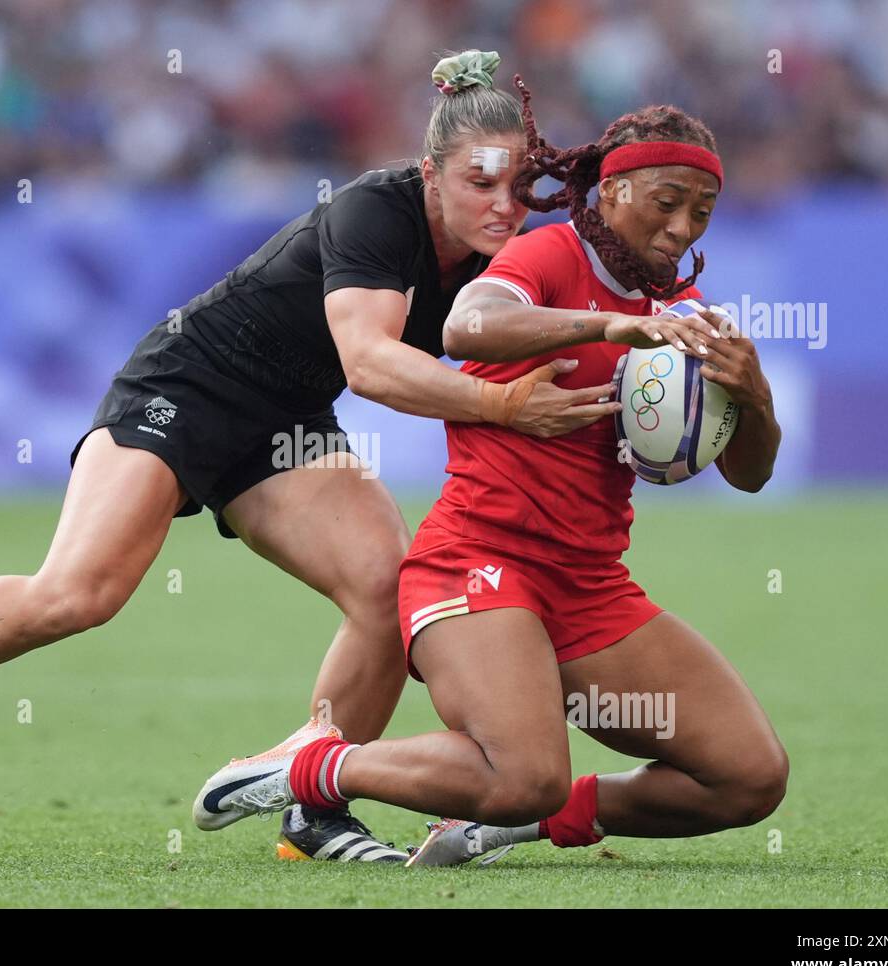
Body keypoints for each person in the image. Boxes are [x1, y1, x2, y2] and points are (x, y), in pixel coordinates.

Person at [0, 51, 705, 863]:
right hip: (185, 389)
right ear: (430, 171)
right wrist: (506, 402)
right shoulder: (377, 212)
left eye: (515, 187)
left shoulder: (496, 260)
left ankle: (313, 804)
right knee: (78, 593)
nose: (501, 207)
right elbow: (372, 363)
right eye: (477, 183)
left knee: (391, 589)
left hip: (285, 427)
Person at [194, 86, 788, 867]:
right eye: (667, 202)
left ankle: (504, 824)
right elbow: (465, 324)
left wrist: (754, 395)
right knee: (525, 771)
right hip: (478, 565)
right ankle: (303, 767)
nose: (681, 227)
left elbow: (746, 475)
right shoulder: (550, 253)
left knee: (750, 777)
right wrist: (609, 323)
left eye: (701, 213)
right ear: (611, 190)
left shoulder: (684, 309)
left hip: (587, 582)